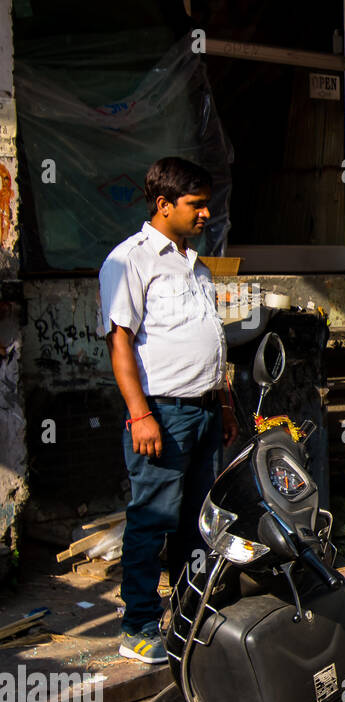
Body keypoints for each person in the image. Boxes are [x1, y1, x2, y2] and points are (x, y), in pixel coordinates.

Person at [99, 157, 236, 665]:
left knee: (195, 523)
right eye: (195, 205)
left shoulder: (194, 264)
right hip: (163, 414)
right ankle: (136, 625)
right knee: (152, 520)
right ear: (163, 205)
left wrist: (221, 404)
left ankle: (186, 615)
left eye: (207, 204)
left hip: (201, 412)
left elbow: (211, 340)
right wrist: (140, 415)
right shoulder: (130, 261)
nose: (205, 214)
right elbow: (120, 344)